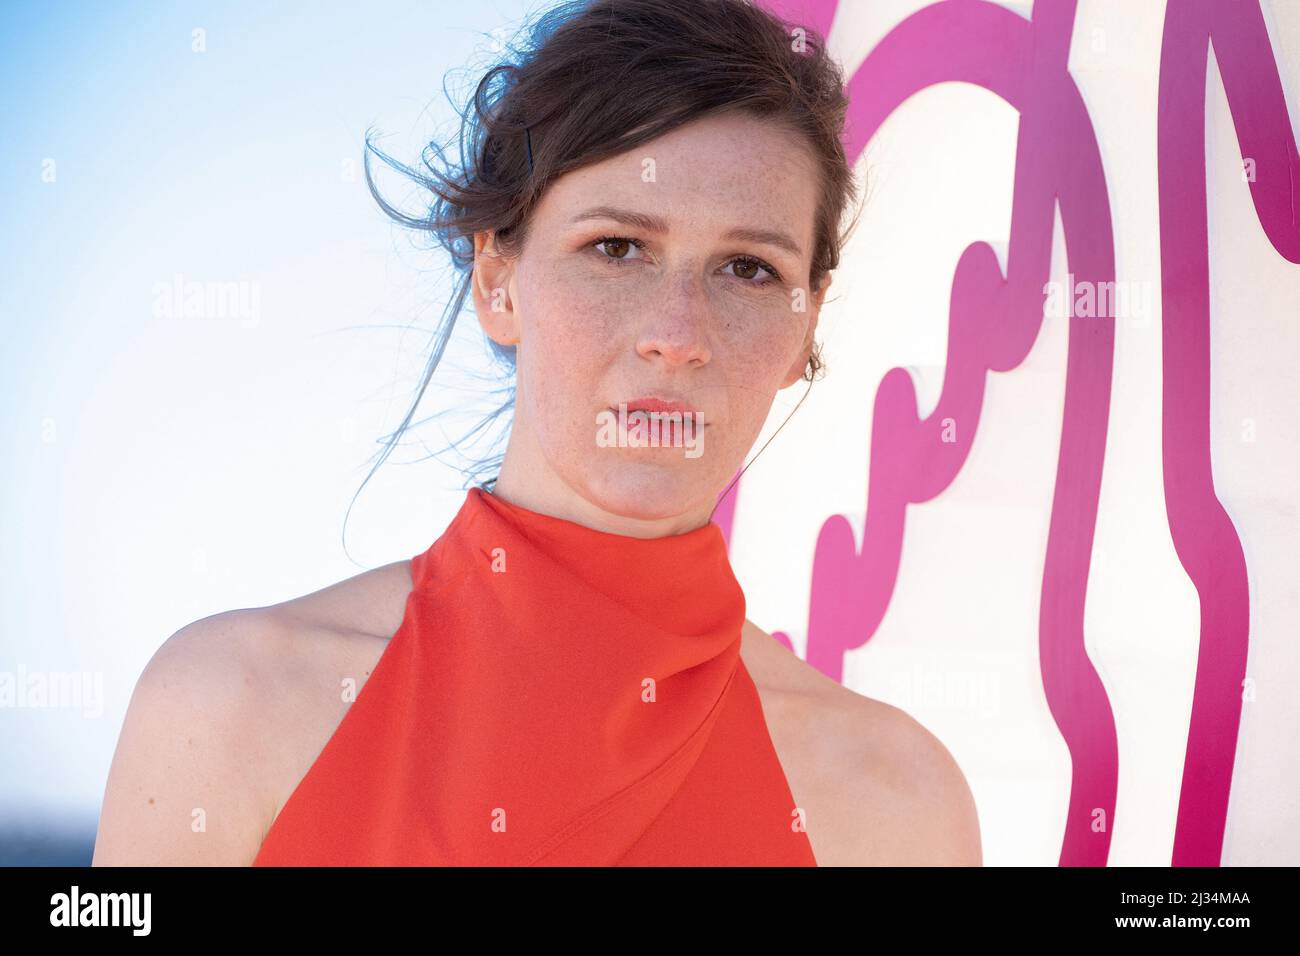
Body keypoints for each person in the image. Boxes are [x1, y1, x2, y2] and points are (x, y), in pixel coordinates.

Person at [92, 0, 980, 866]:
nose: (677, 333)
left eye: (748, 270)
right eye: (617, 247)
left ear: (804, 326)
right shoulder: (229, 709)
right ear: (498, 281)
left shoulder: (896, 804)